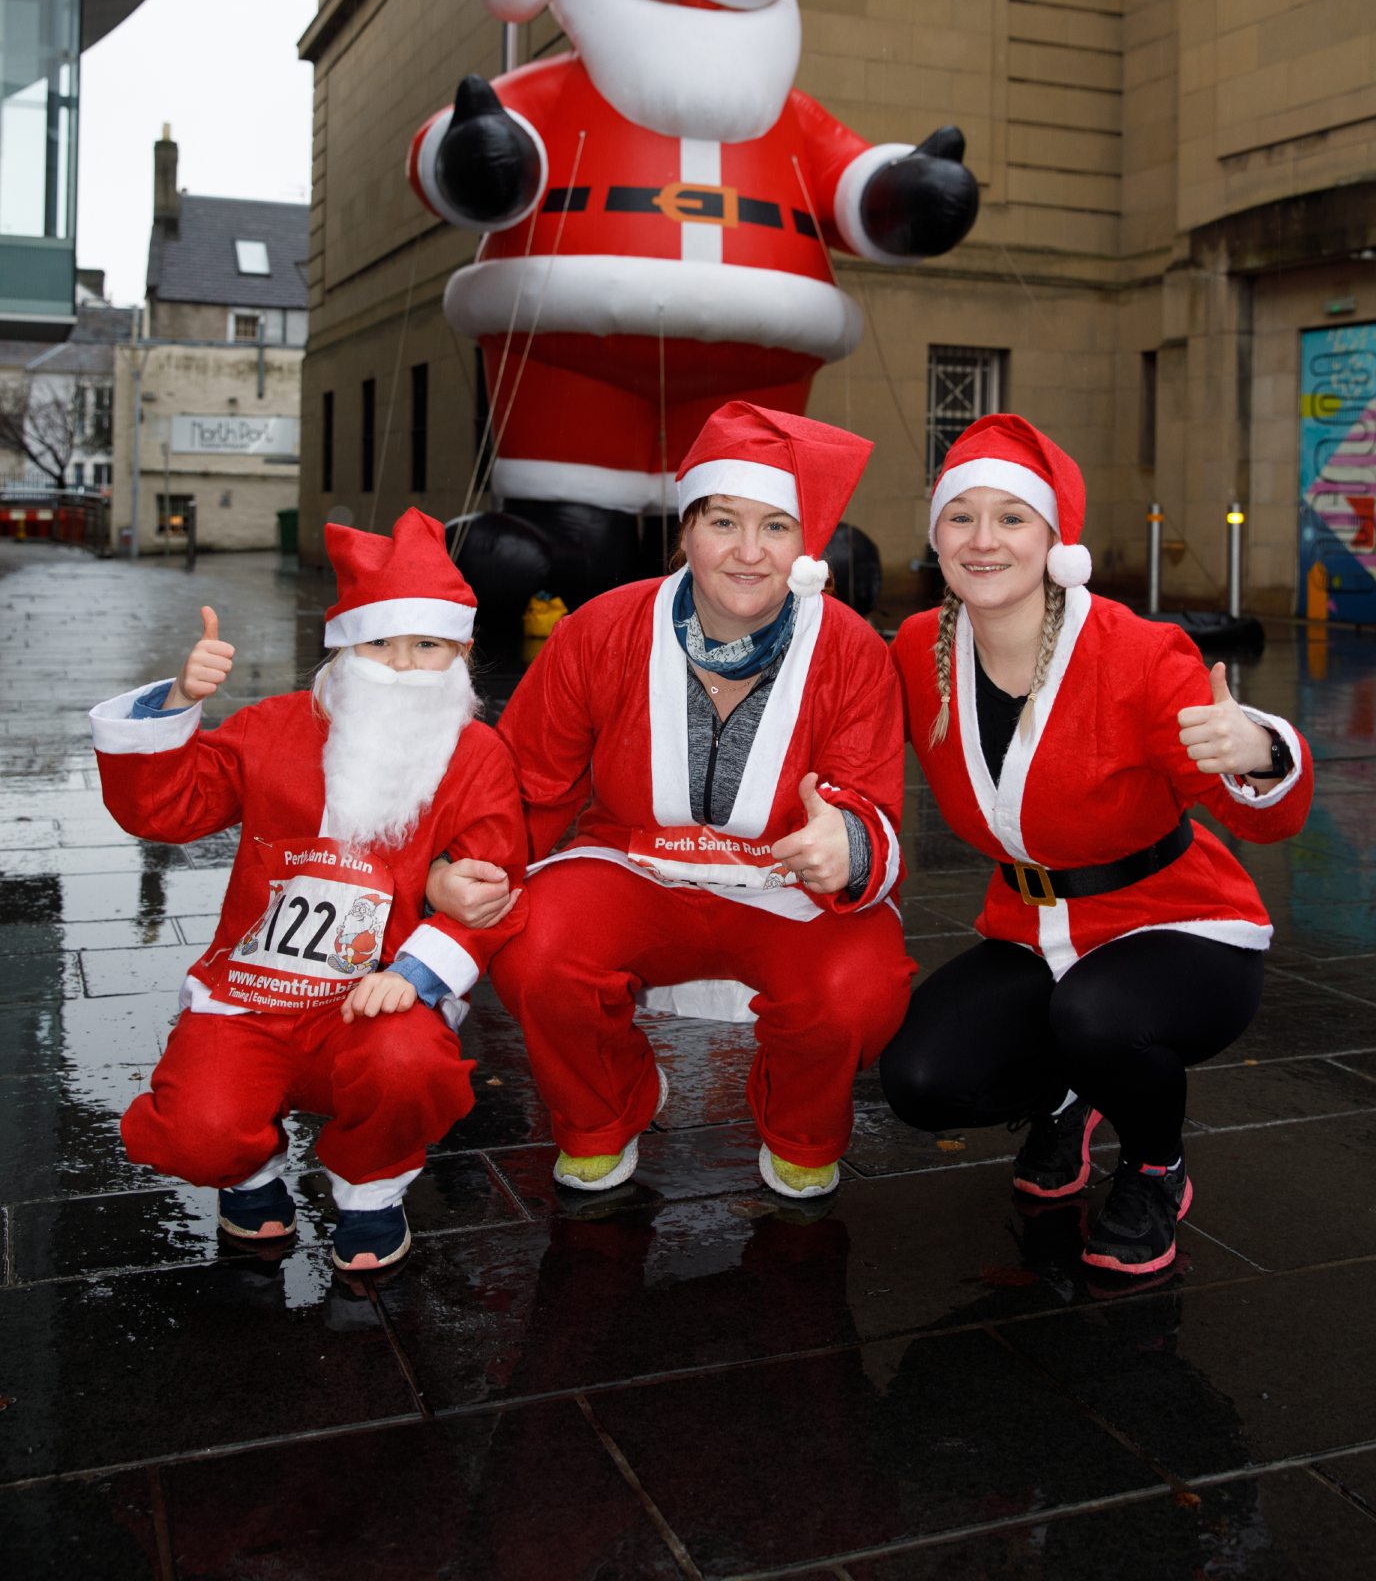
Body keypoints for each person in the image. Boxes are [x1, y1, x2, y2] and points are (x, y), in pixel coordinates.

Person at [406, 0, 978, 593]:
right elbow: (456, 152)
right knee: (568, 547)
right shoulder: (559, 91)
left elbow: (851, 181)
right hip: (573, 351)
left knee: (747, 502)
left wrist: (904, 195)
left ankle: (764, 552)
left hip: (761, 362)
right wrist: (477, 158)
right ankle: (557, 546)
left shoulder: (791, 116)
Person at [427, 401, 911, 1199]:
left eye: (778, 527)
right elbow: (529, 784)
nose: (749, 553)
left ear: (806, 545)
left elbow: (870, 805)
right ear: (686, 529)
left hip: (783, 887)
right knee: (533, 944)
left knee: (861, 988)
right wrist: (460, 873)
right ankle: (602, 1108)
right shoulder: (601, 629)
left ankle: (800, 1123)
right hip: (632, 867)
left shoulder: (851, 647)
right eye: (724, 521)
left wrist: (848, 844)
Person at [880, 416, 1313, 1274]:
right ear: (936, 537)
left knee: (1098, 1015)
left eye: (1012, 517)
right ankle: (1074, 1095)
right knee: (921, 1079)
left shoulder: (1139, 653)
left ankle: (1157, 1166)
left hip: (1178, 923)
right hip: (1031, 927)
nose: (984, 539)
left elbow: (1271, 819)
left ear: (1051, 537)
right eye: (961, 516)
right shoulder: (916, 649)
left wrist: (1257, 751)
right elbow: (837, 730)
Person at [90, 508, 528, 1272]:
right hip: (251, 996)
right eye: (379, 643)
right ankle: (249, 1175)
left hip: (376, 996)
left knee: (409, 1071)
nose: (400, 664)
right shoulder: (275, 727)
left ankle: (370, 1190)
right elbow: (165, 809)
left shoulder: (477, 753)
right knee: (197, 1131)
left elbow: (495, 882)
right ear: (344, 646)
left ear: (461, 650)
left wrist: (417, 973)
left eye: (426, 645)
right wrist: (174, 708)